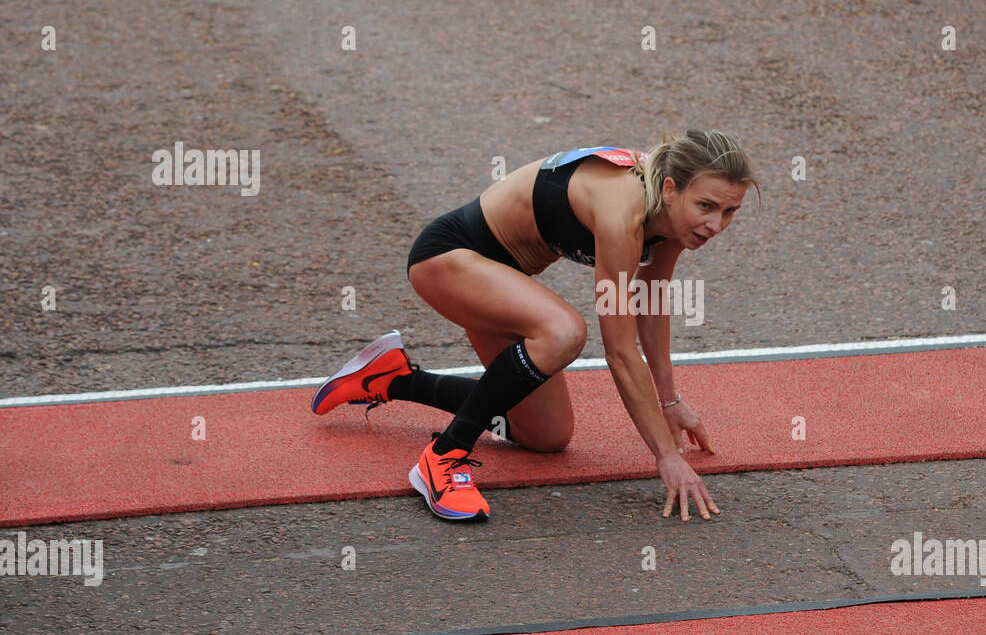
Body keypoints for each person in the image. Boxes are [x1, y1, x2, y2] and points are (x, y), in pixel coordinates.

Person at [312, 129, 758, 524]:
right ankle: (443, 459)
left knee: (546, 435)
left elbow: (651, 305)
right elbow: (620, 350)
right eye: (707, 206)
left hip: (501, 282)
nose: (716, 224)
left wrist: (670, 400)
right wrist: (666, 456)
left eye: (730, 211)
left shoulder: (672, 220)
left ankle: (392, 378)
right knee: (564, 331)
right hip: (447, 258)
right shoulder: (625, 211)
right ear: (670, 188)